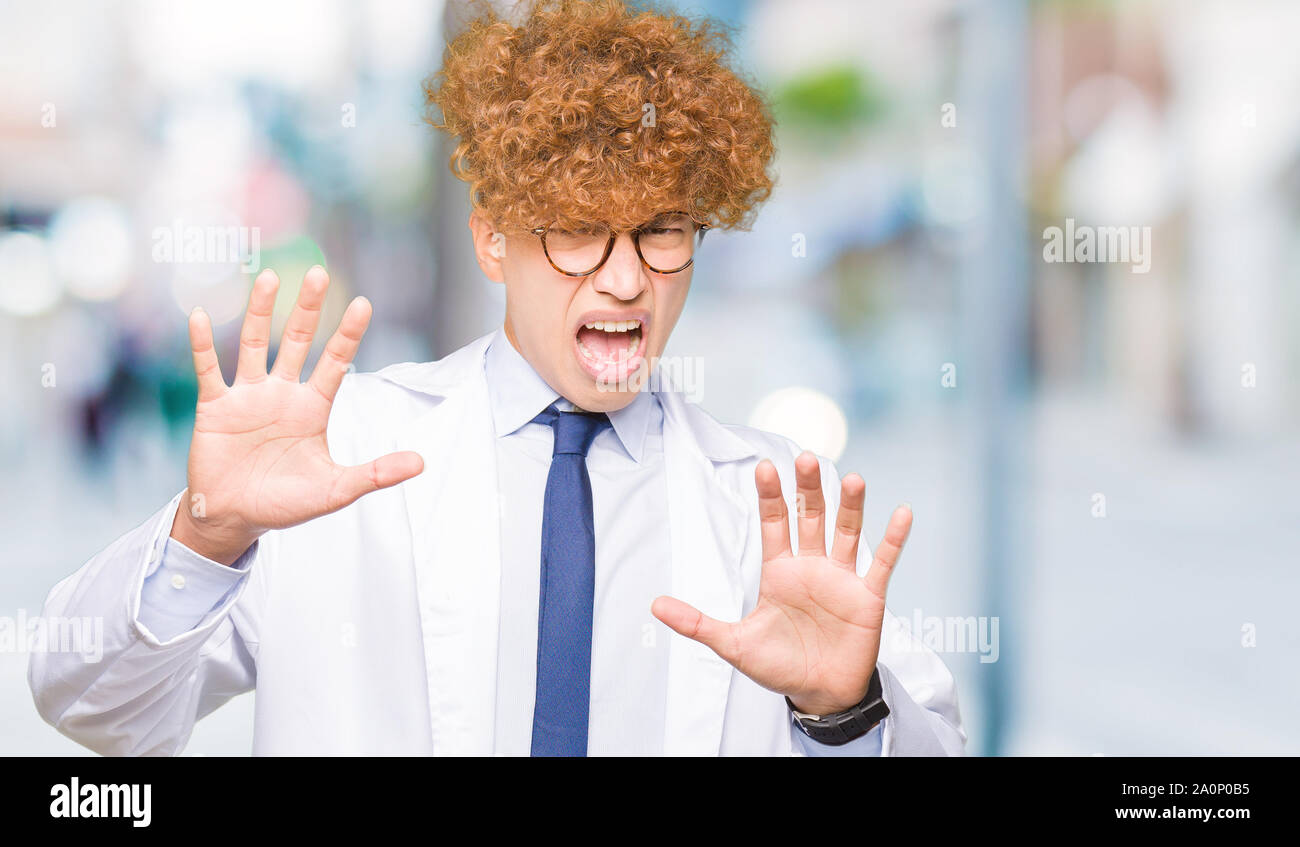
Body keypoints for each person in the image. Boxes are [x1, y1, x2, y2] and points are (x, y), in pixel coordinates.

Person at [28, 0, 965, 756]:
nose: (627, 276)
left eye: (661, 230)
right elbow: (96, 711)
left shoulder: (770, 507)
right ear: (490, 238)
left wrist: (839, 716)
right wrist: (208, 530)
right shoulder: (340, 459)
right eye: (575, 228)